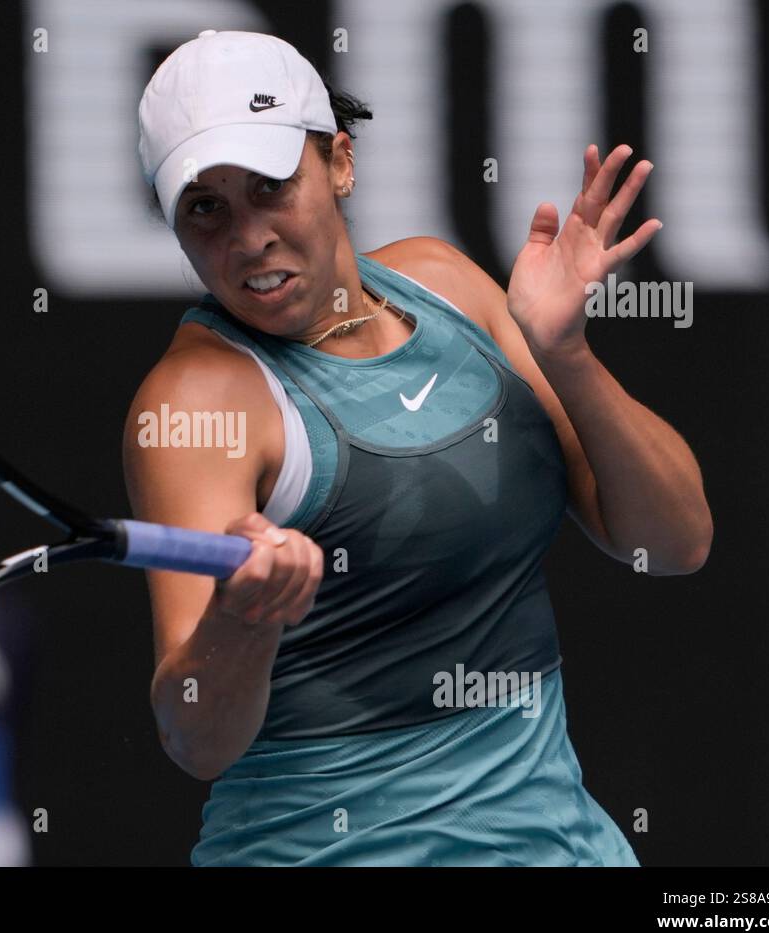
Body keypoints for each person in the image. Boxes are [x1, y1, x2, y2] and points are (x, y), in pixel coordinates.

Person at [125, 30, 712, 865]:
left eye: (270, 185)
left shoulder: (444, 281)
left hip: (557, 844)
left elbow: (674, 543)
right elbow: (196, 739)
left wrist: (566, 356)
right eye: (205, 207)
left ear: (340, 164)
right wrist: (244, 620)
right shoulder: (198, 400)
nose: (248, 235)